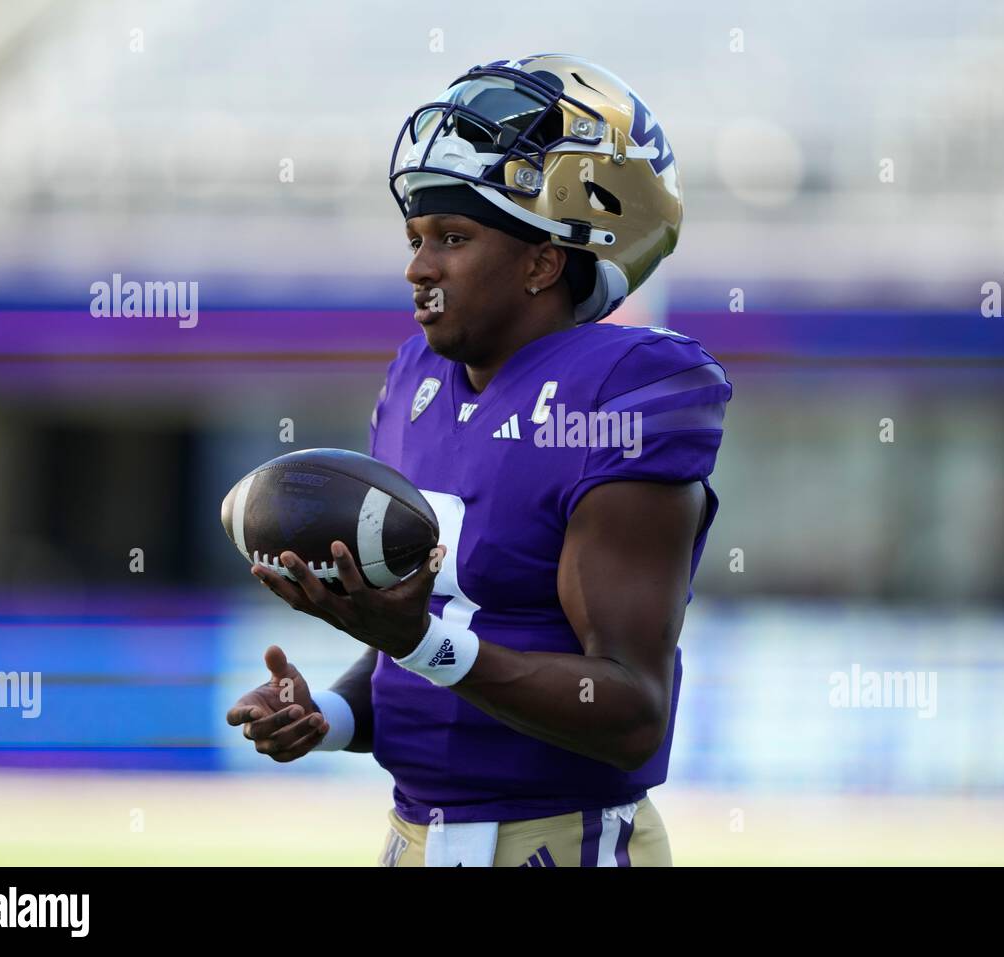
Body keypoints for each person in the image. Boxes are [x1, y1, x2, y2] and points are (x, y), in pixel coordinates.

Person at [226, 55, 732, 867]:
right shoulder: (416, 383)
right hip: (411, 838)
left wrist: (415, 640)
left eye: (454, 238)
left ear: (542, 261)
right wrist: (333, 710)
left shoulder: (622, 391)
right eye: (416, 238)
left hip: (563, 844)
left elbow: (629, 707)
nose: (418, 268)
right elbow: (452, 625)